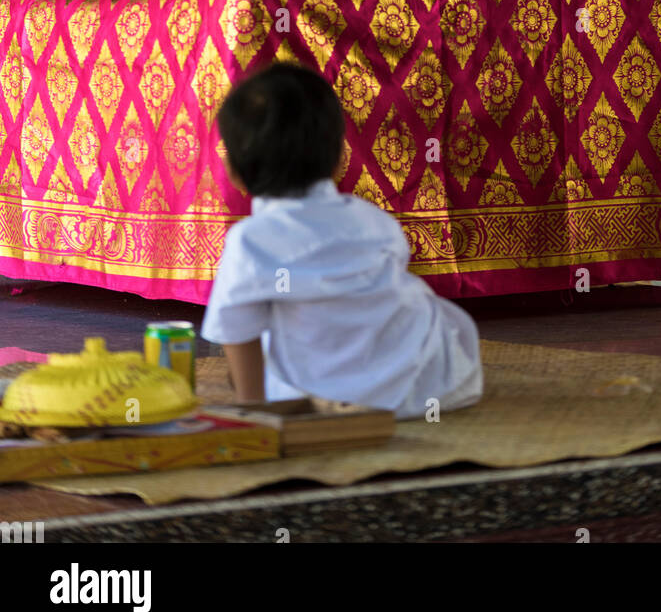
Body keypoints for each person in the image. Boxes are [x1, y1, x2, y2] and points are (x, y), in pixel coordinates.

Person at [201, 63, 482, 418]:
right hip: (423, 389)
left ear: (235, 173)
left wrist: (253, 408)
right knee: (432, 313)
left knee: (271, 344)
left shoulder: (249, 241)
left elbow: (236, 331)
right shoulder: (374, 221)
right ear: (338, 161)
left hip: (321, 397)